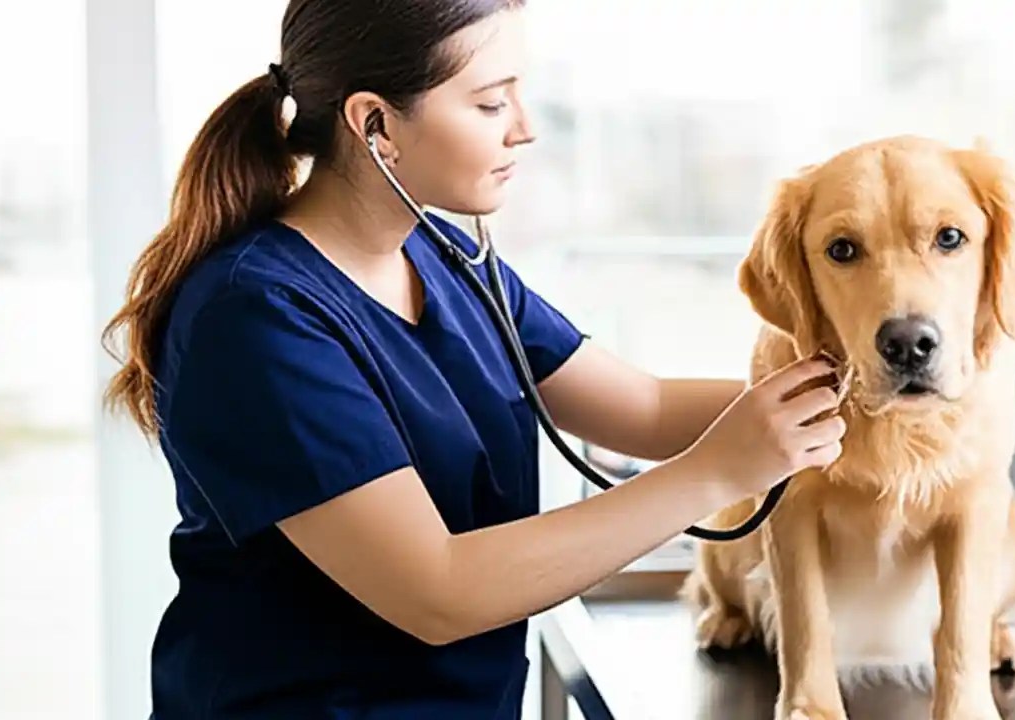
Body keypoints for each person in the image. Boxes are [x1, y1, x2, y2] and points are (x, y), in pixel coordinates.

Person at [101, 1, 847, 717]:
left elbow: (643, 408)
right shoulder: (256, 318)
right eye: (491, 104)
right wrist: (719, 472)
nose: (524, 130)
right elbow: (439, 591)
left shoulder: (445, 257)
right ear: (375, 124)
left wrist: (862, 391)